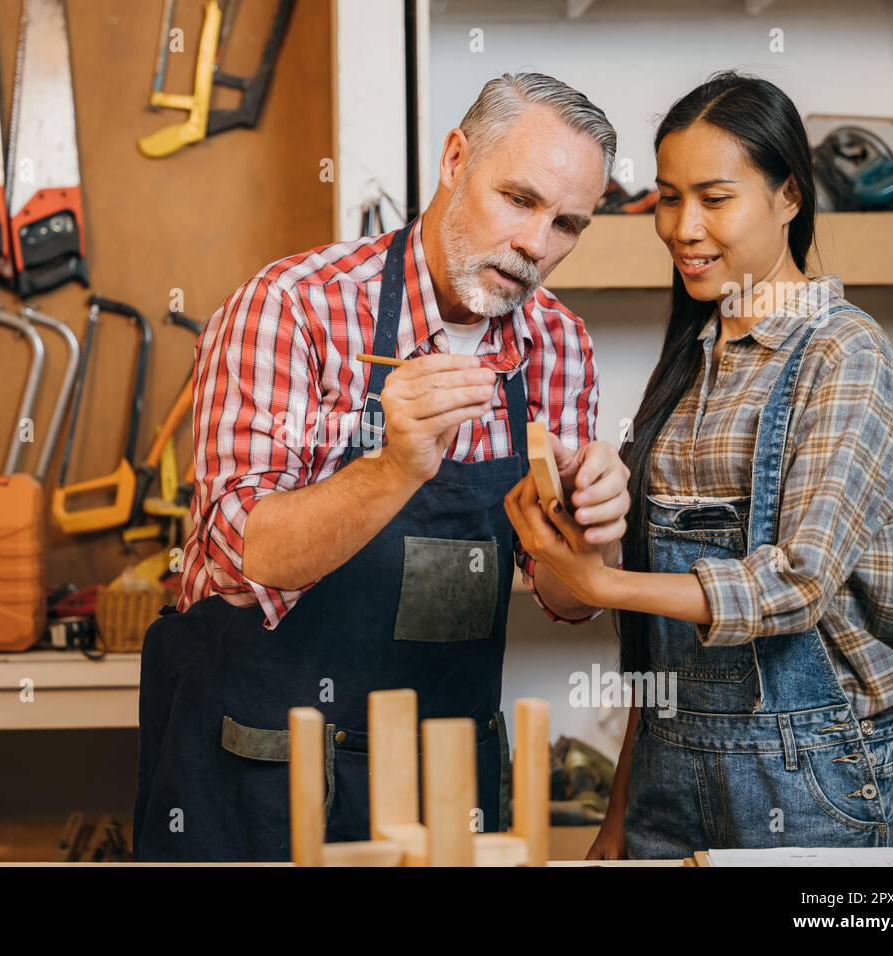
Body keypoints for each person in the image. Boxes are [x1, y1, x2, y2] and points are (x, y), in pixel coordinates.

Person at [134, 72, 633, 861]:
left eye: (568, 223)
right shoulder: (291, 308)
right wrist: (395, 466)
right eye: (519, 200)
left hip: (445, 790)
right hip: (260, 774)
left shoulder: (558, 346)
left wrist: (591, 535)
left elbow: (567, 599)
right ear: (454, 160)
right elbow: (246, 557)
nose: (538, 245)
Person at [505, 71, 893, 858]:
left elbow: (797, 581)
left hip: (811, 781)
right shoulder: (694, 363)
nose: (683, 227)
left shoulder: (844, 354)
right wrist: (621, 807)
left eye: (715, 197)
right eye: (668, 197)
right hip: (669, 773)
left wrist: (606, 582)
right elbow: (660, 650)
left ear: (790, 198)